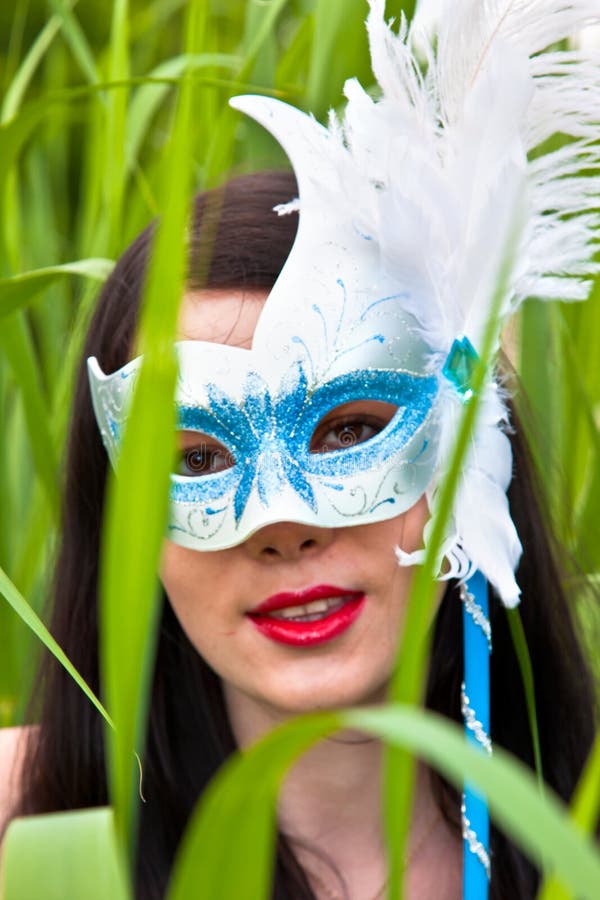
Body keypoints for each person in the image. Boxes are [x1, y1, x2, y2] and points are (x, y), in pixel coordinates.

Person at [1, 2, 599, 899]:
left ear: (472, 452)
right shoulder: (24, 835)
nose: (282, 525)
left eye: (353, 429)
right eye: (198, 458)